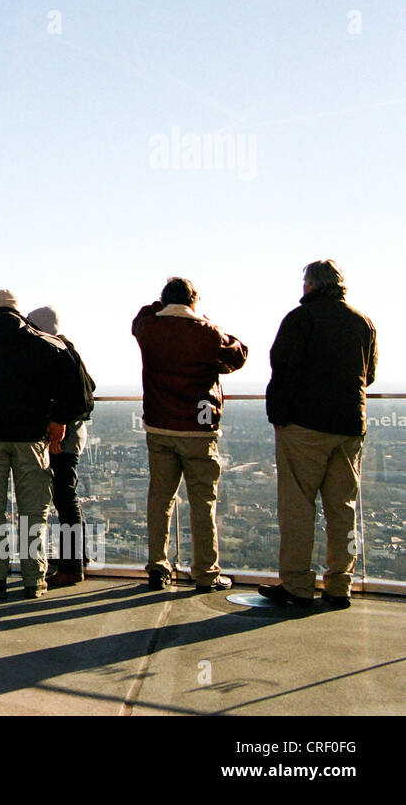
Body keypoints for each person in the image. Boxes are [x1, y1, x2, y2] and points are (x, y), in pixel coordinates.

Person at [0, 290, 89, 599]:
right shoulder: (46, 345)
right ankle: (34, 579)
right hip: (32, 440)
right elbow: (80, 391)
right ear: (19, 313)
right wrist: (58, 419)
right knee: (33, 512)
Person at [261, 260, 377, 609]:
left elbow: (282, 370)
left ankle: (297, 584)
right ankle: (340, 584)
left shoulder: (301, 319)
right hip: (349, 426)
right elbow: (368, 375)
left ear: (309, 286)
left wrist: (278, 416)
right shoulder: (362, 322)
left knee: (298, 506)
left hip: (305, 426)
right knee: (343, 507)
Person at [132, 278, 247, 593]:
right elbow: (238, 355)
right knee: (202, 501)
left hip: (159, 424)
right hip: (199, 425)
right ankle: (206, 573)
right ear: (194, 303)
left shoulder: (148, 328)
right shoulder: (206, 333)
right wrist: (204, 320)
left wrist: (164, 306)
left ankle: (158, 567)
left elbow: (142, 315)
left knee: (160, 498)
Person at [26, 305, 96, 587]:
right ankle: (77, 559)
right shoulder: (67, 351)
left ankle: (72, 566)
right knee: (66, 498)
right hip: (69, 437)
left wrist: (57, 428)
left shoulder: (55, 353)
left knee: (64, 499)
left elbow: (74, 399)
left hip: (62, 441)